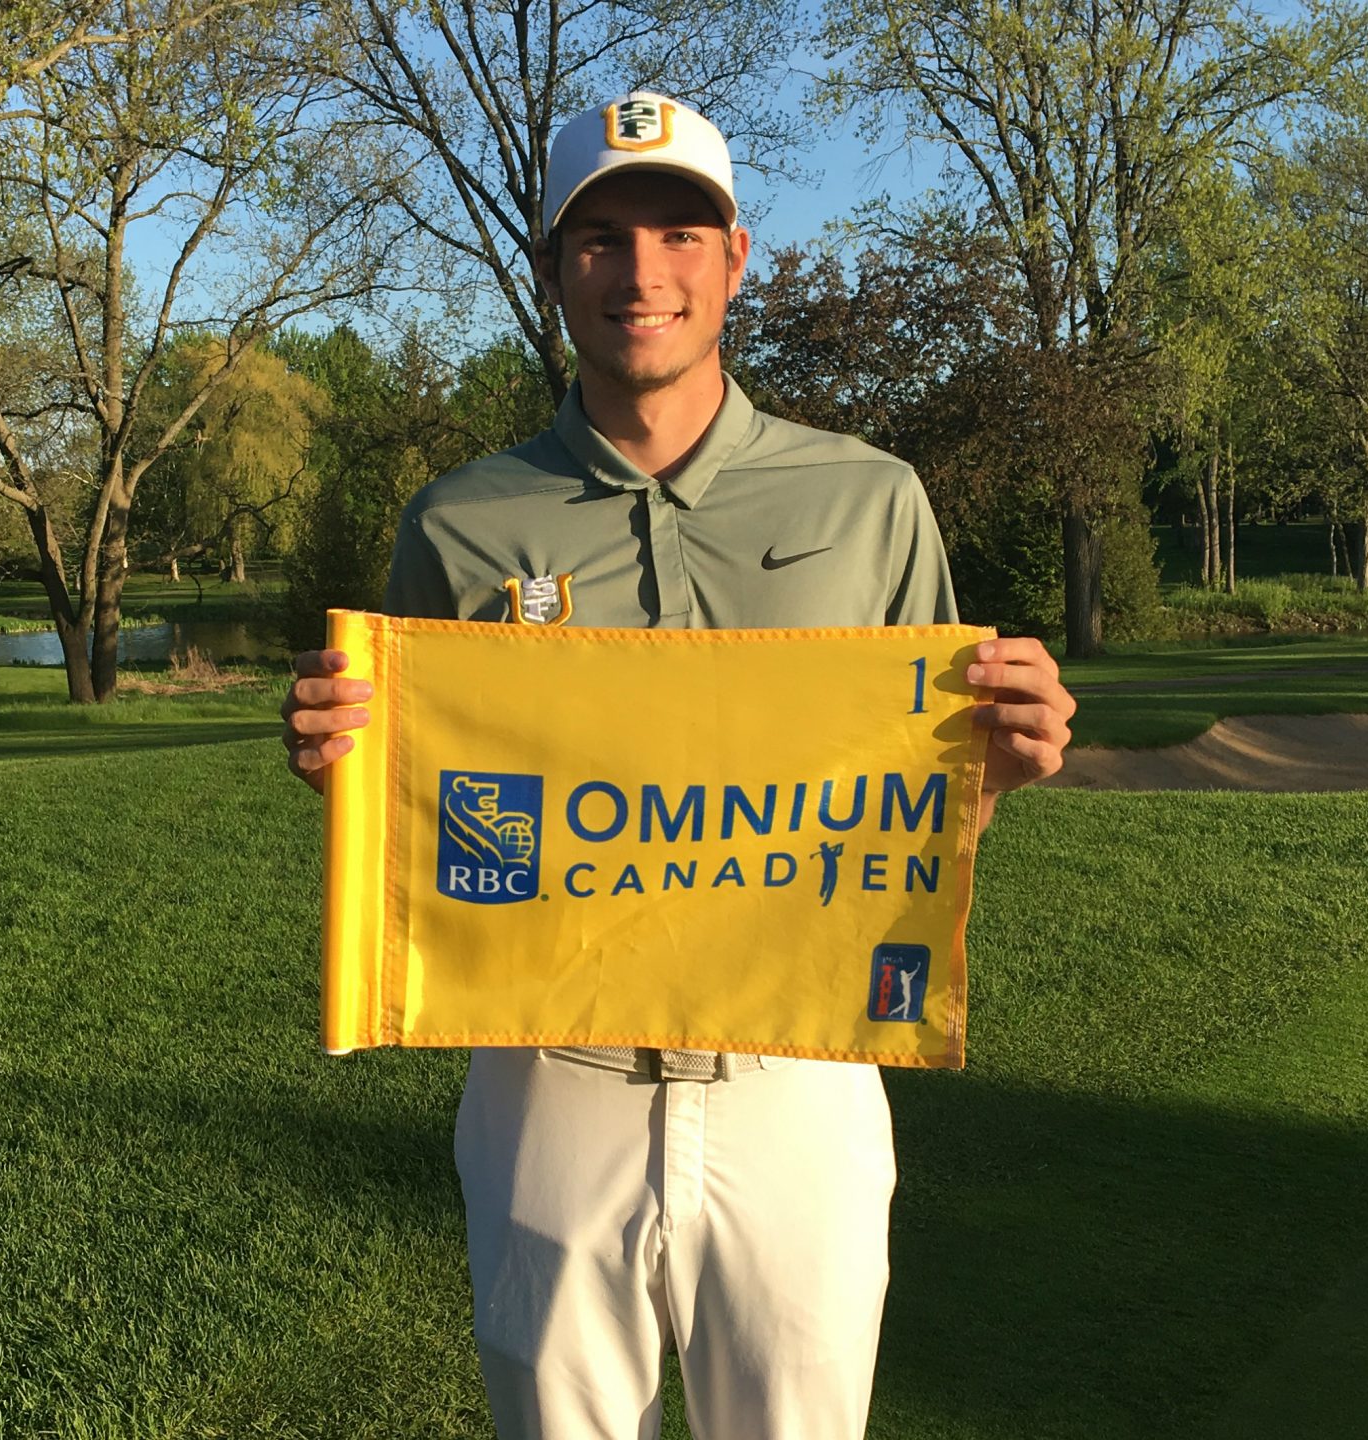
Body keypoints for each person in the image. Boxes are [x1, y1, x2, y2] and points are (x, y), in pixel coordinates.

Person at [280, 92, 1076, 1440]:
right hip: (551, 1084)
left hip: (800, 1082)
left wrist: (1002, 762)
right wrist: (346, 771)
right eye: (598, 239)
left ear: (735, 257)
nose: (640, 272)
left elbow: (919, 807)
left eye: (677, 232)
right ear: (552, 267)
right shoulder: (464, 521)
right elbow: (431, 799)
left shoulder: (867, 500)